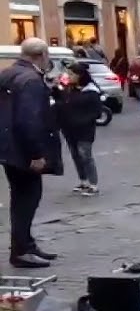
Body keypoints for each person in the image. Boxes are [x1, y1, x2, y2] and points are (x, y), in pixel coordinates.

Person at [0, 38, 63, 268]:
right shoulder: (31, 80)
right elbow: (29, 120)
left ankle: (26, 244)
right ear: (42, 55)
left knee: (21, 197)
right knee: (27, 199)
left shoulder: (8, 73)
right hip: (23, 150)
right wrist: (36, 154)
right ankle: (21, 250)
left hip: (9, 147)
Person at [56, 61, 104, 196]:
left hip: (84, 130)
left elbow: (97, 112)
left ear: (80, 75)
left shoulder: (91, 91)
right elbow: (62, 103)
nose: (68, 76)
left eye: (72, 74)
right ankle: (83, 181)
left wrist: (82, 120)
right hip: (69, 129)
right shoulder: (69, 89)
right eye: (68, 73)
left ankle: (93, 184)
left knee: (85, 156)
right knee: (75, 155)